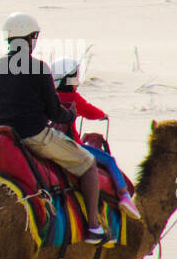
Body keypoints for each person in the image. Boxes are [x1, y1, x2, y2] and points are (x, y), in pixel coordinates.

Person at [0, 13, 106, 242]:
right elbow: (53, 112)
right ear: (30, 38)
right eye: (35, 37)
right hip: (34, 136)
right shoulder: (39, 69)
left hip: (1, 139)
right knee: (88, 164)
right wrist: (69, 113)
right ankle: (93, 227)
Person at [51, 57, 141, 220]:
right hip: (72, 147)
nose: (77, 82)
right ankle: (124, 196)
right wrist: (102, 115)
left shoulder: (50, 98)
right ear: (69, 79)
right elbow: (90, 112)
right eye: (76, 77)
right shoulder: (74, 99)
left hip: (50, 145)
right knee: (108, 160)